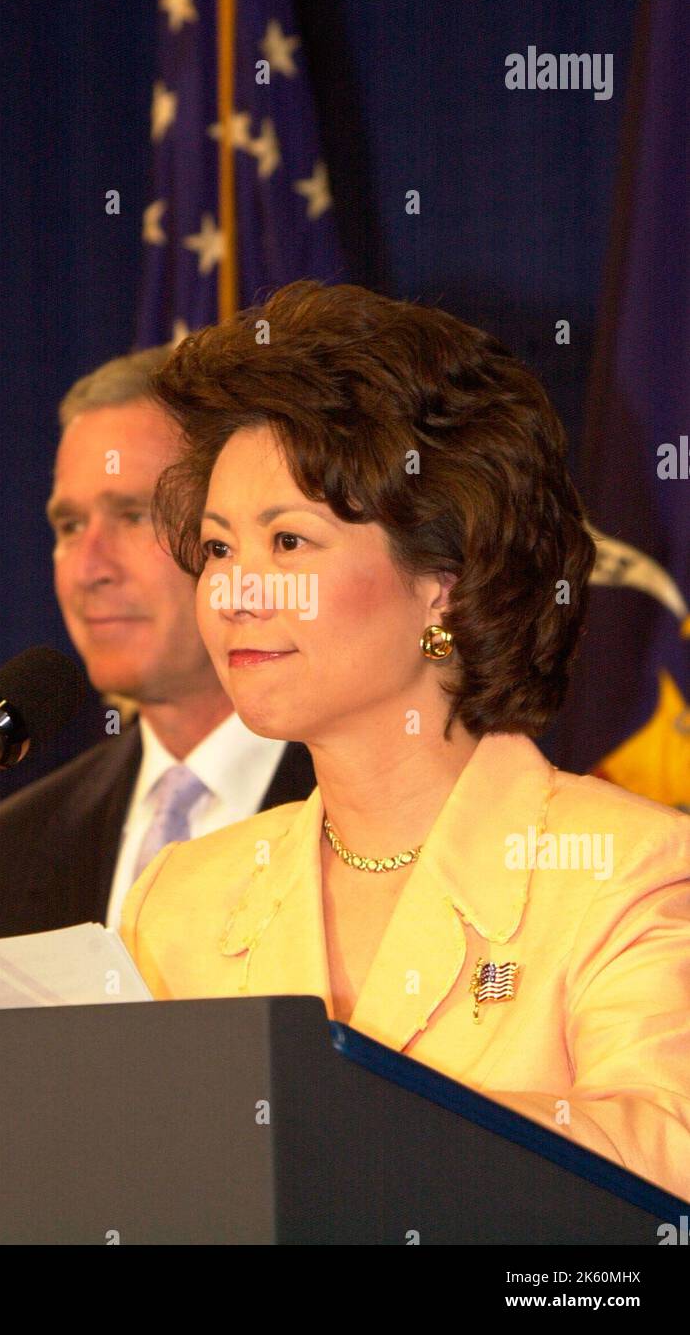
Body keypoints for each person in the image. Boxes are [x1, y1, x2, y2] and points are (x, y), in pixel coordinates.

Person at [120, 278, 690, 1203]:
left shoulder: (626, 874)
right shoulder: (178, 902)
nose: (234, 593)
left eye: (289, 545)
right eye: (220, 549)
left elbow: (663, 1161)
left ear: (443, 583)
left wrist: (342, 1127)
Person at [0, 349, 315, 942]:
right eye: (69, 527)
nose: (90, 568)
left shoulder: (366, 814)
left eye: (133, 515)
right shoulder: (5, 852)